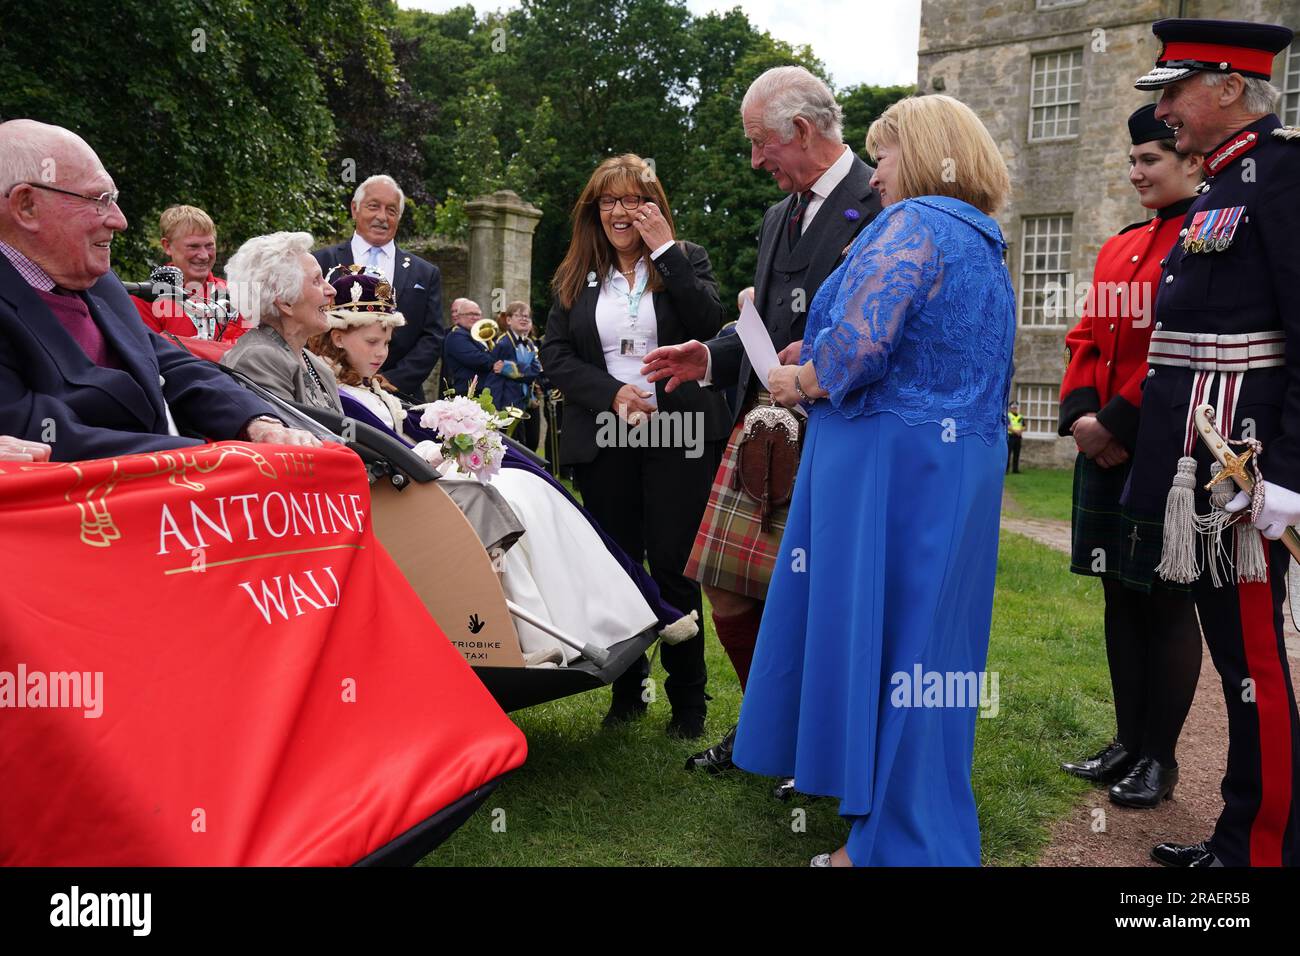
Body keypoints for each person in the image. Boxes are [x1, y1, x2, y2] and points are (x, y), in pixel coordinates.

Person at [730, 94, 1015, 866]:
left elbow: (857, 355)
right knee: (931, 653)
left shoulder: (913, 223)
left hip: (889, 467)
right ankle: (909, 824)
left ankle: (891, 845)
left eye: (883, 156)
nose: (876, 174)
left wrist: (799, 381)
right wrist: (814, 355)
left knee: (887, 642)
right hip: (957, 464)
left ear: (919, 156)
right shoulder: (983, 239)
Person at [640, 65, 881, 778]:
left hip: (840, 433)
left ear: (801, 131)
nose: (754, 161)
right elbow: (767, 326)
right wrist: (708, 354)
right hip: (762, 434)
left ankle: (822, 747)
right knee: (727, 581)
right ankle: (772, 733)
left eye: (758, 145)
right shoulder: (782, 213)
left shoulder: (883, 202)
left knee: (817, 598)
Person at [309, 266, 688, 665]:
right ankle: (512, 639)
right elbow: (380, 445)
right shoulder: (340, 394)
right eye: (372, 341)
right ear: (337, 337)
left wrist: (459, 419)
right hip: (399, 490)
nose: (382, 352)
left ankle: (590, 617)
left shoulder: (372, 388)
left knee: (535, 487)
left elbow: (406, 419)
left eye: (387, 340)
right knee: (506, 494)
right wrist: (445, 447)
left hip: (417, 475)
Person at [1126, 17, 1300, 868]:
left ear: (1230, 87)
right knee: (1238, 660)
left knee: (1255, 664)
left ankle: (1261, 851)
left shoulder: (1283, 176)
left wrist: (1291, 477)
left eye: (1175, 90)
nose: (1163, 109)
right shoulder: (1226, 185)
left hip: (1247, 472)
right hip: (1205, 466)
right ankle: (1244, 833)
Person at [542, 153, 730, 739]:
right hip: (607, 433)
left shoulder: (685, 259)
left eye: (632, 200)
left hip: (677, 433)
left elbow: (710, 325)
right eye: (608, 202)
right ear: (593, 212)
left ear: (654, 207)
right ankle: (627, 695)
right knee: (618, 564)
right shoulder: (576, 275)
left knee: (674, 565)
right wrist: (611, 394)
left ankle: (689, 706)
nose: (620, 212)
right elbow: (556, 356)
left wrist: (667, 251)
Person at [0, 120, 314, 461]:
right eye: (99, 199)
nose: (119, 220)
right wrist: (214, 457)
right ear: (27, 206)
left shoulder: (99, 284)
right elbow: (47, 434)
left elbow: (167, 364)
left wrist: (256, 422)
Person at [1057, 103, 1206, 809]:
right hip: (1105, 446)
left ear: (1190, 161)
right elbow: (1086, 335)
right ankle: (1126, 739)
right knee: (1119, 592)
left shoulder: (1207, 240)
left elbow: (1187, 349)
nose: (1135, 171)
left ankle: (1161, 758)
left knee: (1167, 600)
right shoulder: (1120, 246)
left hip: (1163, 451)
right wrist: (1082, 417)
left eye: (1149, 159)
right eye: (1132, 160)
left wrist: (1115, 422)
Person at [313, 175, 444, 400]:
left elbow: (432, 336)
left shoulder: (425, 273)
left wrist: (393, 380)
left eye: (391, 210)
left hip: (401, 397)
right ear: (355, 209)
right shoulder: (319, 262)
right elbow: (307, 321)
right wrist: (335, 373)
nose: (382, 217)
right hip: (329, 392)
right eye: (374, 206)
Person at [221, 232, 343, 414]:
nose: (331, 290)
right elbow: (292, 436)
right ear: (285, 302)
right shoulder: (257, 359)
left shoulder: (315, 364)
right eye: (317, 281)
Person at [129, 205, 246, 342]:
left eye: (209, 246)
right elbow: (148, 356)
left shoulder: (234, 294)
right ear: (167, 246)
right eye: (193, 246)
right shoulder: (146, 299)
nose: (204, 255)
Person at [496, 301, 543, 451]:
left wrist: (509, 368)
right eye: (519, 315)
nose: (524, 319)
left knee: (532, 441)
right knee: (514, 444)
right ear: (509, 320)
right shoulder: (502, 343)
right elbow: (494, 375)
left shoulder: (530, 343)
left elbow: (536, 371)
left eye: (527, 316)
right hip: (508, 400)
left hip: (528, 400)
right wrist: (497, 407)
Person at [442, 297, 507, 403]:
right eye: (470, 314)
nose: (474, 317)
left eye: (477, 314)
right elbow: (478, 359)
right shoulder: (456, 336)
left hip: (486, 392)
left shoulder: (479, 336)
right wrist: (496, 362)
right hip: (468, 395)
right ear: (459, 317)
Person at [1006, 401, 1025, 473]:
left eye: (1016, 408)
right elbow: (1007, 426)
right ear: (1010, 408)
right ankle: (1006, 469)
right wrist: (1016, 431)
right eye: (1013, 408)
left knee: (1017, 453)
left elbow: (1024, 426)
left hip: (1018, 437)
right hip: (1011, 436)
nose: (1014, 409)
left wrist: (1021, 430)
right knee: (1008, 454)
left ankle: (1015, 469)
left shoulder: (1020, 416)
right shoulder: (1008, 416)